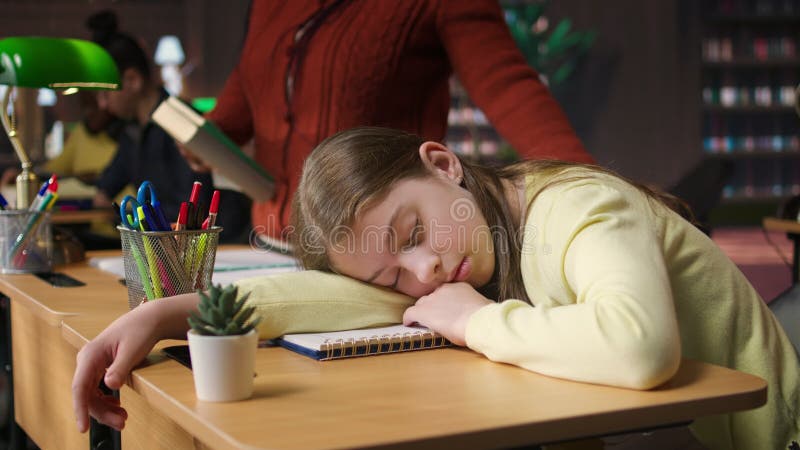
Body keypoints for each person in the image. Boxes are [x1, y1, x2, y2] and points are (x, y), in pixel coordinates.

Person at [72, 127, 799, 449]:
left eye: (411, 232)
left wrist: (479, 322)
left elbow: (641, 349)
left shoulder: (575, 207)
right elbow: (340, 300)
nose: (419, 272)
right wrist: (173, 313)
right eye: (390, 273)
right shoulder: (468, 251)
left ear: (444, 164)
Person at [184, 0, 595, 242]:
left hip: (378, 256)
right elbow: (254, 82)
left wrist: (591, 191)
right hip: (272, 242)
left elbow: (510, 88)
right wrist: (208, 136)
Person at [87, 11, 251, 243]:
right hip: (170, 244)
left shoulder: (181, 123)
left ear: (133, 80)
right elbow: (105, 190)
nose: (102, 104)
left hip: (219, 248)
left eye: (105, 93)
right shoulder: (131, 132)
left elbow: (192, 212)